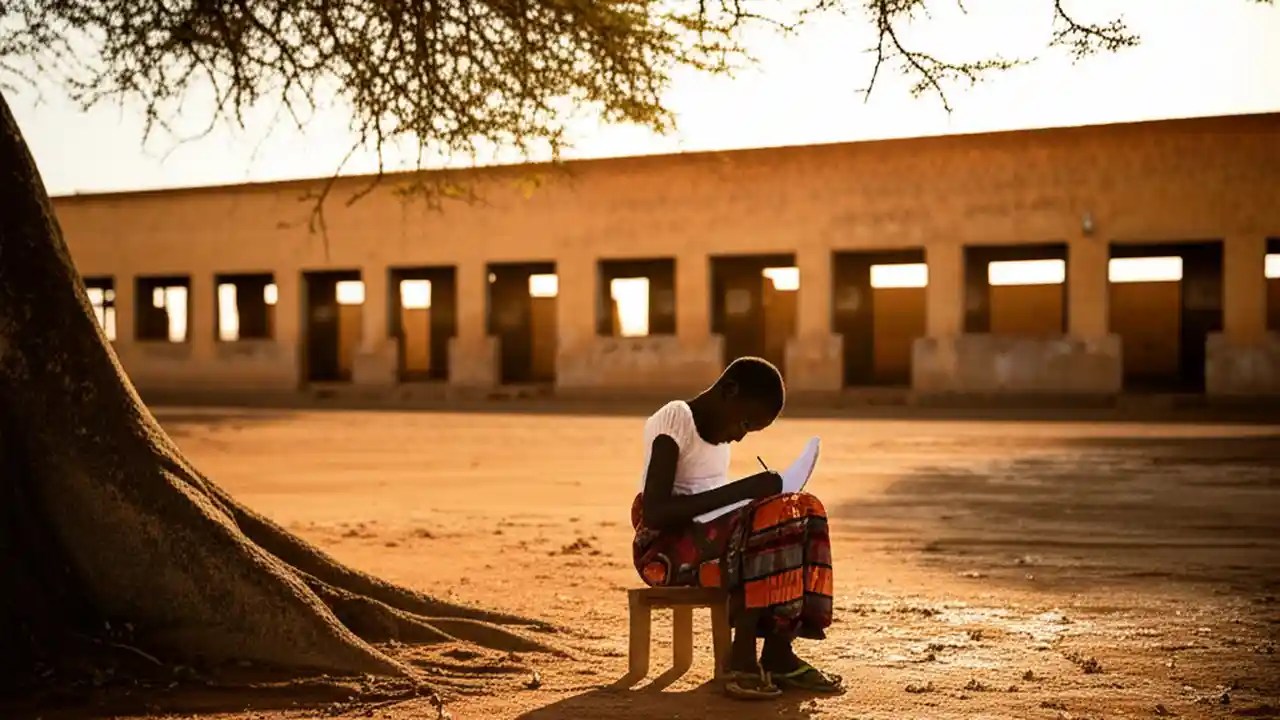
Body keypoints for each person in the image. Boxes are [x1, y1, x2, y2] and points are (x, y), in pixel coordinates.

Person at [630, 356, 842, 699]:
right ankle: (740, 656)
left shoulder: (721, 439)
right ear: (729, 391)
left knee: (805, 511)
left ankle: (778, 651)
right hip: (666, 549)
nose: (741, 436)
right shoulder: (676, 417)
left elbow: (715, 505)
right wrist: (743, 491)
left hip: (713, 539)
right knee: (765, 521)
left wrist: (749, 499)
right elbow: (655, 512)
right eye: (745, 423)